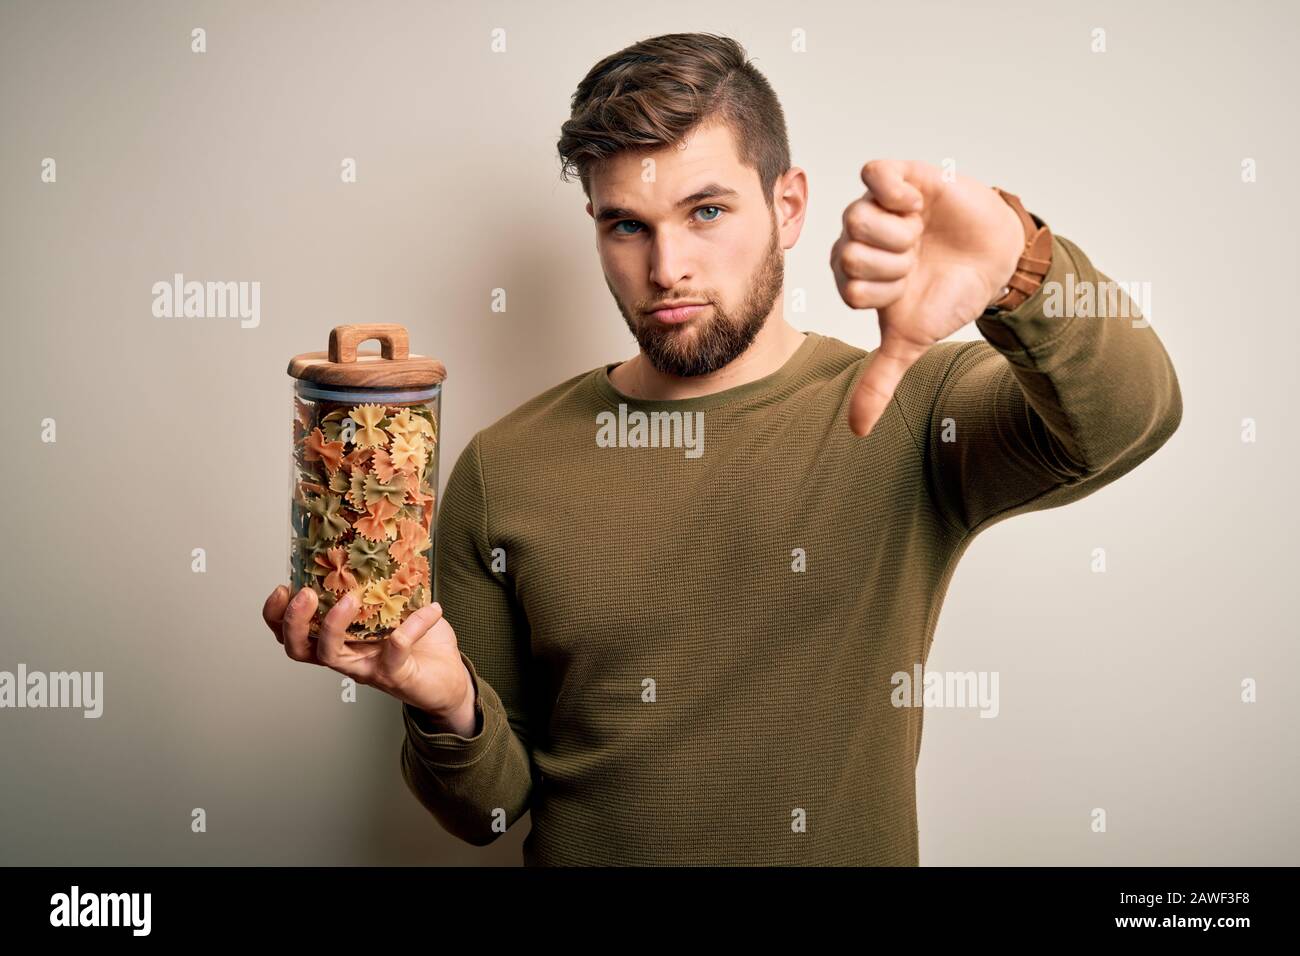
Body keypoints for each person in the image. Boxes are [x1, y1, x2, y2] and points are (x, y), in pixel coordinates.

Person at [262, 32, 1182, 865]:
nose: (667, 270)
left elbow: (1133, 418)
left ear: (789, 207)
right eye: (626, 224)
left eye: (706, 212)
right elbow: (490, 813)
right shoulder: (503, 469)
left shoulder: (908, 405)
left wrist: (1021, 267)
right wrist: (445, 705)